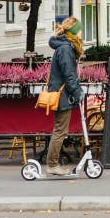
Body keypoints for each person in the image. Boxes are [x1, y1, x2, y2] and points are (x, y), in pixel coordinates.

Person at [46, 16, 85, 175]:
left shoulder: (65, 46)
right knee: (60, 131)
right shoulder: (66, 49)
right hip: (62, 94)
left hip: (61, 93)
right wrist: (78, 92)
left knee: (60, 130)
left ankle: (52, 163)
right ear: (75, 31)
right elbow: (69, 75)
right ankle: (52, 165)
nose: (81, 33)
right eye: (80, 30)